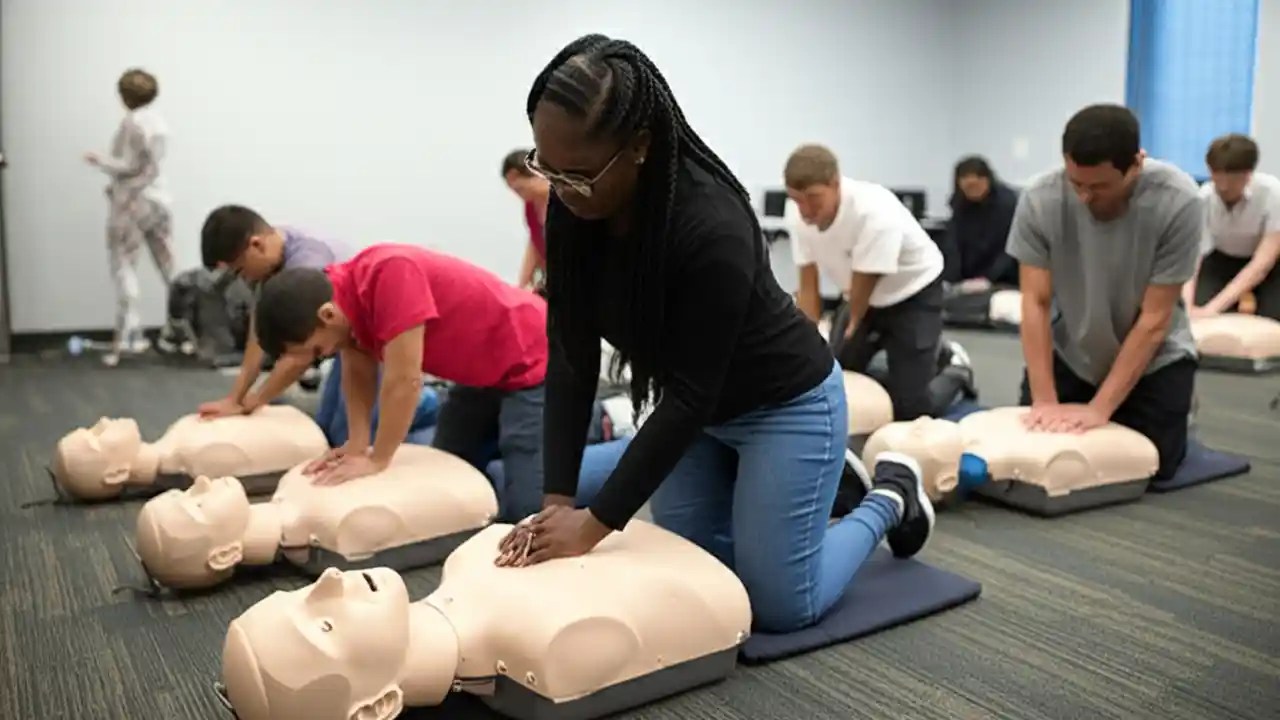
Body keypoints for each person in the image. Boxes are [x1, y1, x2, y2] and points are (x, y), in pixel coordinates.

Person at [505, 33, 935, 634]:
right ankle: (809, 500)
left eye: (575, 173)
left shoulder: (712, 228)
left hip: (784, 404)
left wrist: (596, 523)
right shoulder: (572, 204)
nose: (559, 187)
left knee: (783, 606)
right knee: (702, 579)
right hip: (698, 416)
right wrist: (558, 503)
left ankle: (888, 496)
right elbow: (573, 356)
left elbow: (690, 394)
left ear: (639, 148)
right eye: (545, 165)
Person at [253, 244, 556, 521]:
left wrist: (379, 459)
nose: (326, 355)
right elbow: (358, 371)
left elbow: (404, 381)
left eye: (319, 351)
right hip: (481, 373)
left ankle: (594, 430)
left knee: (525, 509)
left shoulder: (391, 275)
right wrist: (357, 444)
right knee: (449, 470)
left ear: (327, 315)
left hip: (535, 356)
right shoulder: (339, 298)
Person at [1005, 104, 1201, 481]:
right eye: (1076, 184)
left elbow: (1155, 319)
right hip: (1074, 351)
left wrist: (1100, 408)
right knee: (1035, 453)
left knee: (1155, 465)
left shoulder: (1179, 201)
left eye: (1099, 187)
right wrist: (1044, 398)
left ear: (1137, 164)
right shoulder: (1039, 198)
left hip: (1155, 358)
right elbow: (1035, 301)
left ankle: (1180, 407)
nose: (1084, 197)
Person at [785, 143, 973, 421]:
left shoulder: (874, 211)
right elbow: (808, 286)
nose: (805, 210)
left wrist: (842, 334)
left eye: (814, 198)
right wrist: (809, 344)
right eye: (796, 199)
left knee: (911, 409)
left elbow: (859, 303)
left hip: (913, 292)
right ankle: (904, 370)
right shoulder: (797, 213)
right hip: (859, 293)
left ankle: (956, 369)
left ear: (835, 184)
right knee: (829, 376)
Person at [197, 205, 350, 419]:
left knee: (345, 429)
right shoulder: (269, 257)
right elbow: (258, 331)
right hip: (329, 341)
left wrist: (252, 403)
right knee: (323, 421)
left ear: (256, 245)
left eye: (240, 271)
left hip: (364, 343)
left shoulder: (306, 265)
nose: (245, 279)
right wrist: (235, 399)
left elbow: (301, 354)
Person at [84, 68, 174, 367]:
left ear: (123, 95)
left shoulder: (132, 124)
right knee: (167, 266)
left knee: (123, 265)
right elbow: (151, 166)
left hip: (132, 202)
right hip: (159, 200)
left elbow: (130, 165)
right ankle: (180, 333)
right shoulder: (160, 124)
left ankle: (127, 338)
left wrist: (100, 161)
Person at [1184, 134, 1280, 320]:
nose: (1223, 187)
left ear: (1248, 175)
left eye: (1231, 180)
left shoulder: (1273, 194)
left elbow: (1262, 263)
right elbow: (1192, 257)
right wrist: (1188, 307)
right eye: (1217, 178)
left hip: (1269, 266)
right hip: (1222, 260)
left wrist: (1212, 309)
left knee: (1273, 317)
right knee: (1196, 311)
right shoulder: (1203, 198)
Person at [944, 155, 1020, 290]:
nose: (972, 191)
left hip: (1005, 278)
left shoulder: (1007, 203)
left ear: (987, 180)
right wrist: (952, 279)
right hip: (969, 278)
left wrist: (988, 278)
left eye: (975, 185)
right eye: (967, 187)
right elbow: (954, 245)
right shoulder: (959, 203)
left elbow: (1011, 247)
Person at [502, 149, 551, 291]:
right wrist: (522, 286)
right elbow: (535, 243)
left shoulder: (565, 199)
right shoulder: (531, 207)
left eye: (518, 189)